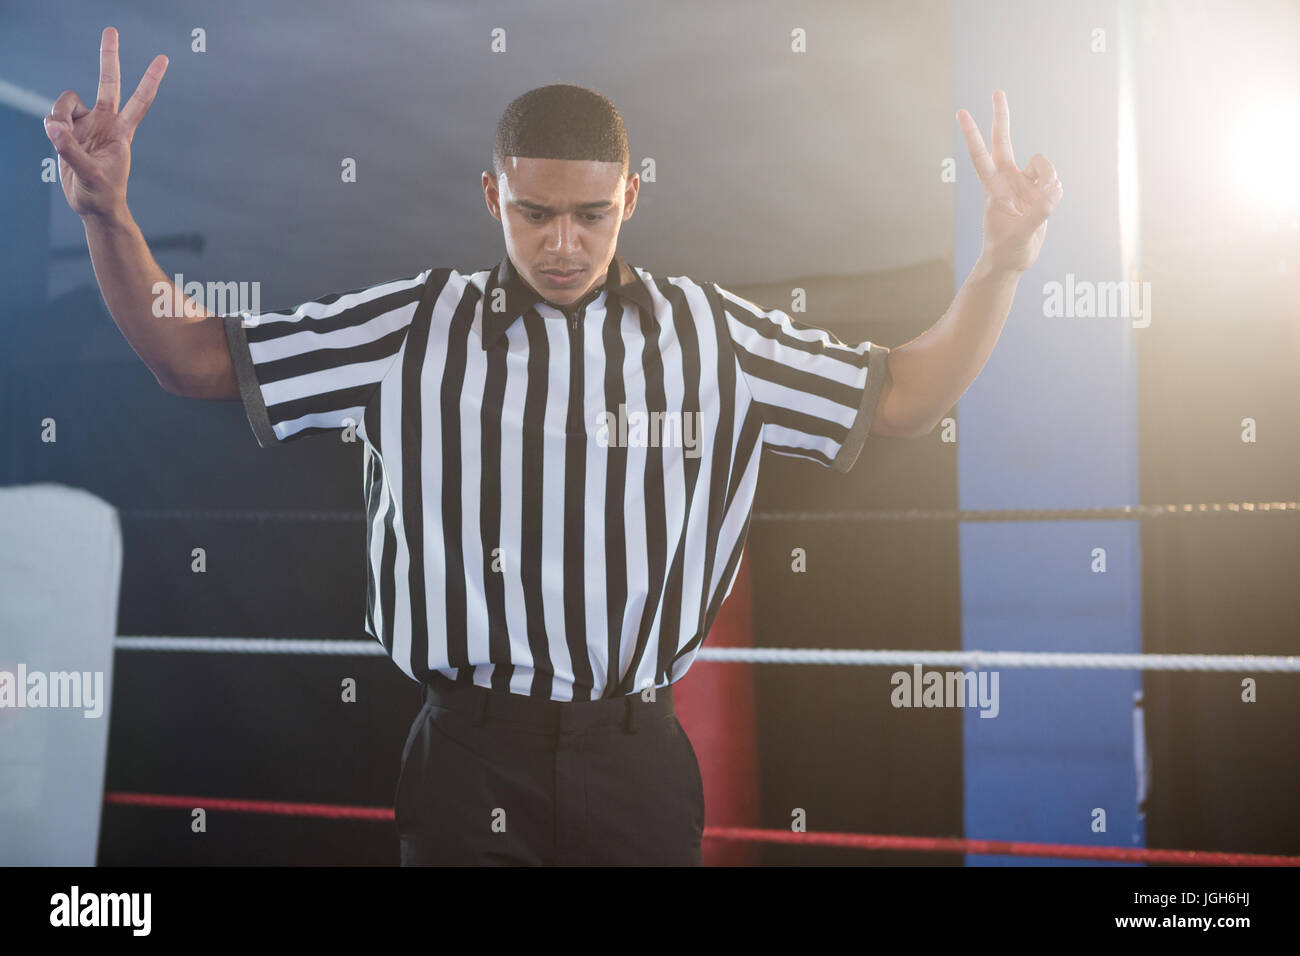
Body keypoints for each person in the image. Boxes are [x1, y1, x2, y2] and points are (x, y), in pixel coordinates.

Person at [45, 26, 1062, 866]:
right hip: (466, 752)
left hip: (635, 756)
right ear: (494, 198)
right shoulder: (410, 328)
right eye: (535, 214)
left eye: (588, 214)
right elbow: (192, 356)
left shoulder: (714, 336)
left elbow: (902, 398)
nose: (563, 243)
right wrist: (106, 215)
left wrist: (1003, 264)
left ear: (629, 199)